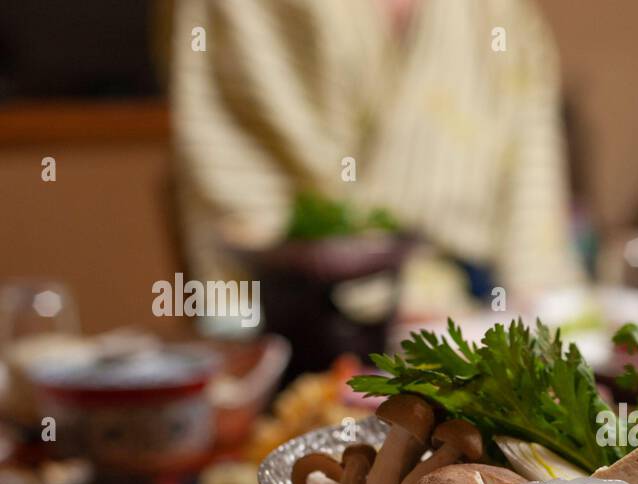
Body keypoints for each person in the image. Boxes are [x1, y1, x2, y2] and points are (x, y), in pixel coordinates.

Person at [169, 0, 583, 298]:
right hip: (310, 313)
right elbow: (243, 205)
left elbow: (534, 201)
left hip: (486, 308)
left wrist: (543, 309)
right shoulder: (239, 11)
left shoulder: (500, 14)